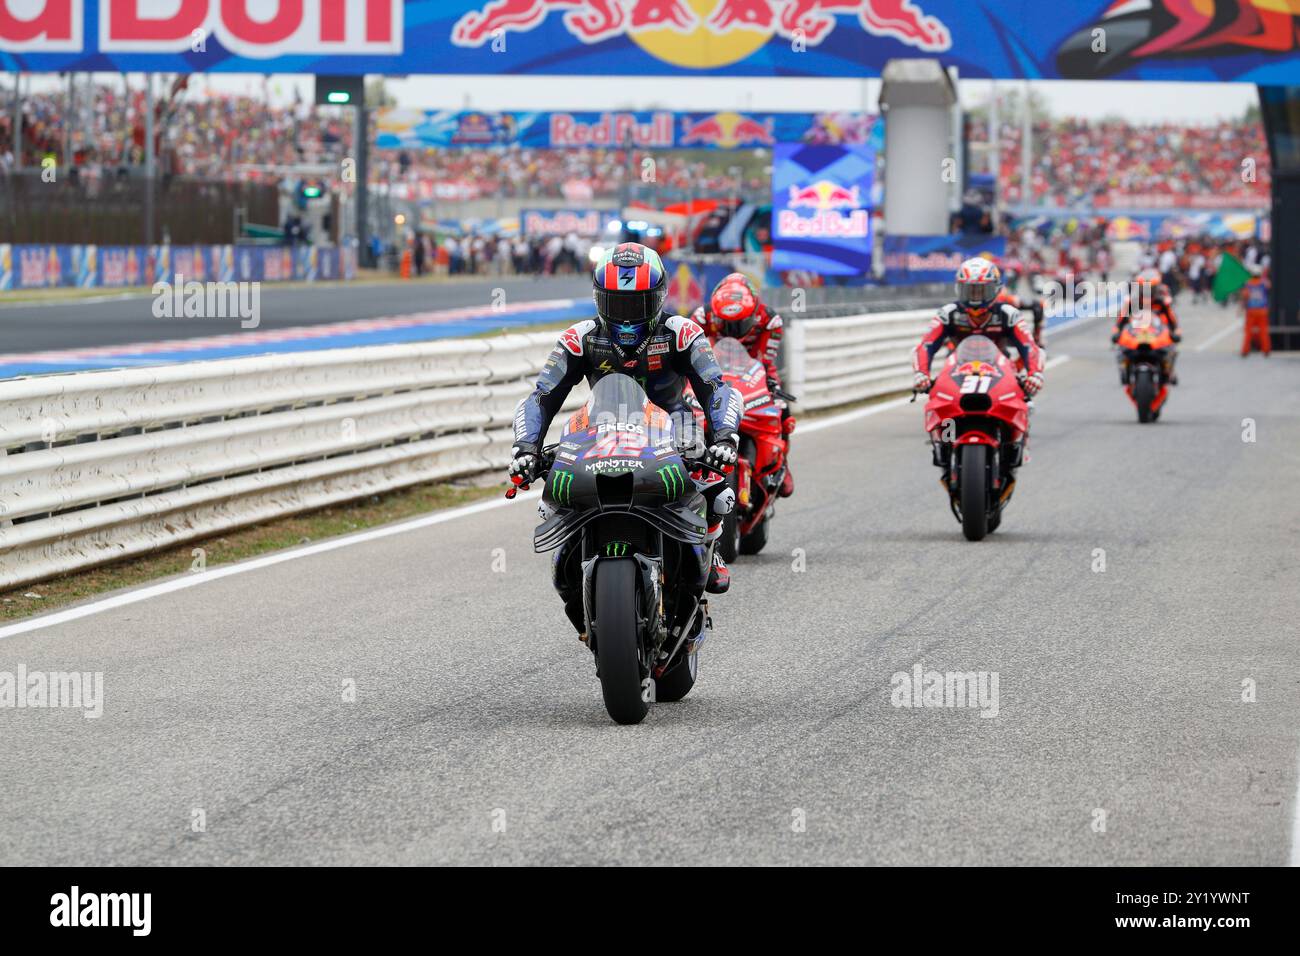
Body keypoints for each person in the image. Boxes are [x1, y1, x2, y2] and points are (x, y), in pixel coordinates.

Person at [509, 243, 742, 633]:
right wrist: (527, 449)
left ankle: (711, 545)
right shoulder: (578, 337)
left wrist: (724, 437)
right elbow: (542, 397)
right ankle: (576, 578)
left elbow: (717, 388)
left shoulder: (682, 333)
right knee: (553, 500)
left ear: (660, 297)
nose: (627, 316)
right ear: (600, 300)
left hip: (674, 427)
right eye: (618, 304)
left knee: (718, 490)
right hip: (600, 428)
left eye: (637, 304)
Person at [690, 273, 795, 497]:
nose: (732, 331)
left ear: (753, 314)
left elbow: (765, 360)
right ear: (714, 314)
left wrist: (768, 383)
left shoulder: (770, 321)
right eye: (725, 324)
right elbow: (689, 353)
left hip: (754, 366)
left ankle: (783, 465)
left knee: (783, 408)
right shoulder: (701, 317)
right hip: (713, 365)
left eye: (739, 325)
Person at [912, 258, 1044, 399]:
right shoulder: (948, 313)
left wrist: (1034, 374)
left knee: (1023, 400)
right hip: (956, 373)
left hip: (1002, 373)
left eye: (981, 291)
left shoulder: (1008, 313)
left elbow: (1029, 347)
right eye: (970, 290)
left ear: (995, 289)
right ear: (959, 289)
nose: (975, 297)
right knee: (937, 402)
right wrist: (922, 373)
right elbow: (925, 345)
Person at [1111, 268, 1182, 383]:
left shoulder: (1162, 302)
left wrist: (1175, 332)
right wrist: (1116, 332)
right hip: (1137, 332)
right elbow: (1121, 319)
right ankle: (1124, 367)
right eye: (1144, 288)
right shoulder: (1132, 301)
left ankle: (1170, 370)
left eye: (1150, 288)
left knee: (1172, 347)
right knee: (1120, 346)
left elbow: (1172, 320)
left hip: (1157, 332)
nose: (1147, 291)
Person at [1241, 266, 1272, 358]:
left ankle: (1245, 350)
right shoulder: (1264, 283)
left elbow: (1245, 295)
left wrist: (1243, 307)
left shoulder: (1248, 284)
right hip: (1262, 310)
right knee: (1263, 331)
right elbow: (1269, 286)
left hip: (1251, 310)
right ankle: (1266, 350)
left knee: (1248, 331)